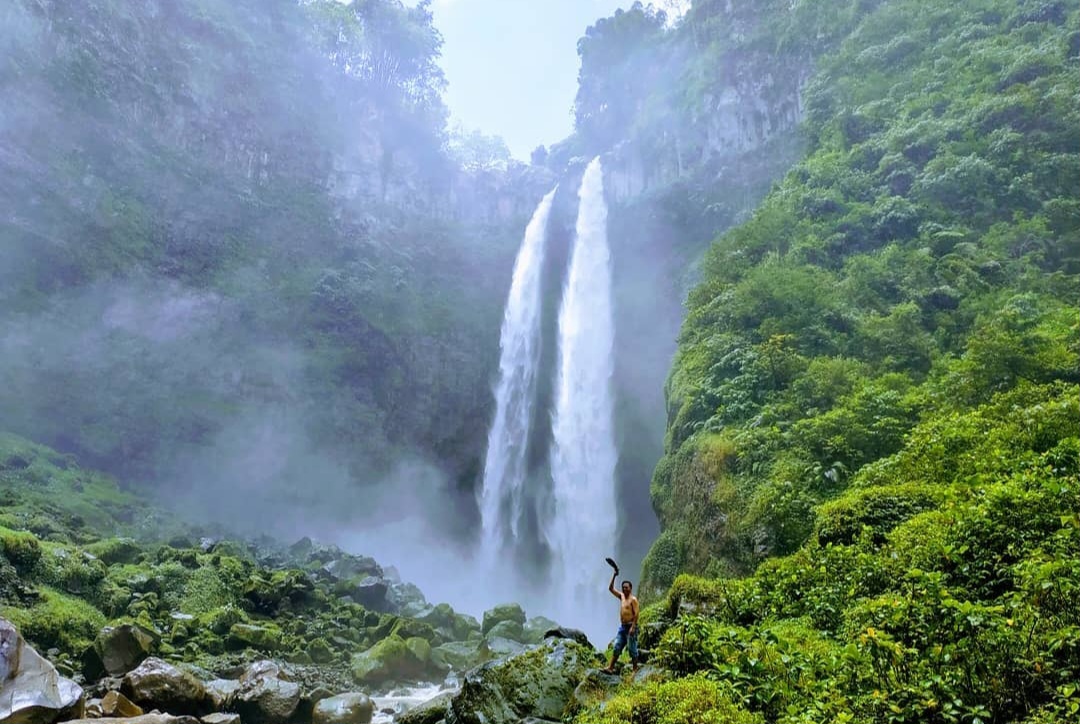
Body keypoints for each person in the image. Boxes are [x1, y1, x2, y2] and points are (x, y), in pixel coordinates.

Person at [602, 569, 639, 674]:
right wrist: (614, 575)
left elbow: (636, 614)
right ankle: (610, 667)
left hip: (631, 627)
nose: (624, 589)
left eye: (626, 587)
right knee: (617, 646)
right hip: (622, 627)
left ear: (630, 588)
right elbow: (610, 588)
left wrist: (633, 627)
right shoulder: (622, 596)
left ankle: (635, 669)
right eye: (623, 587)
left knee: (632, 648)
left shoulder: (633, 600)